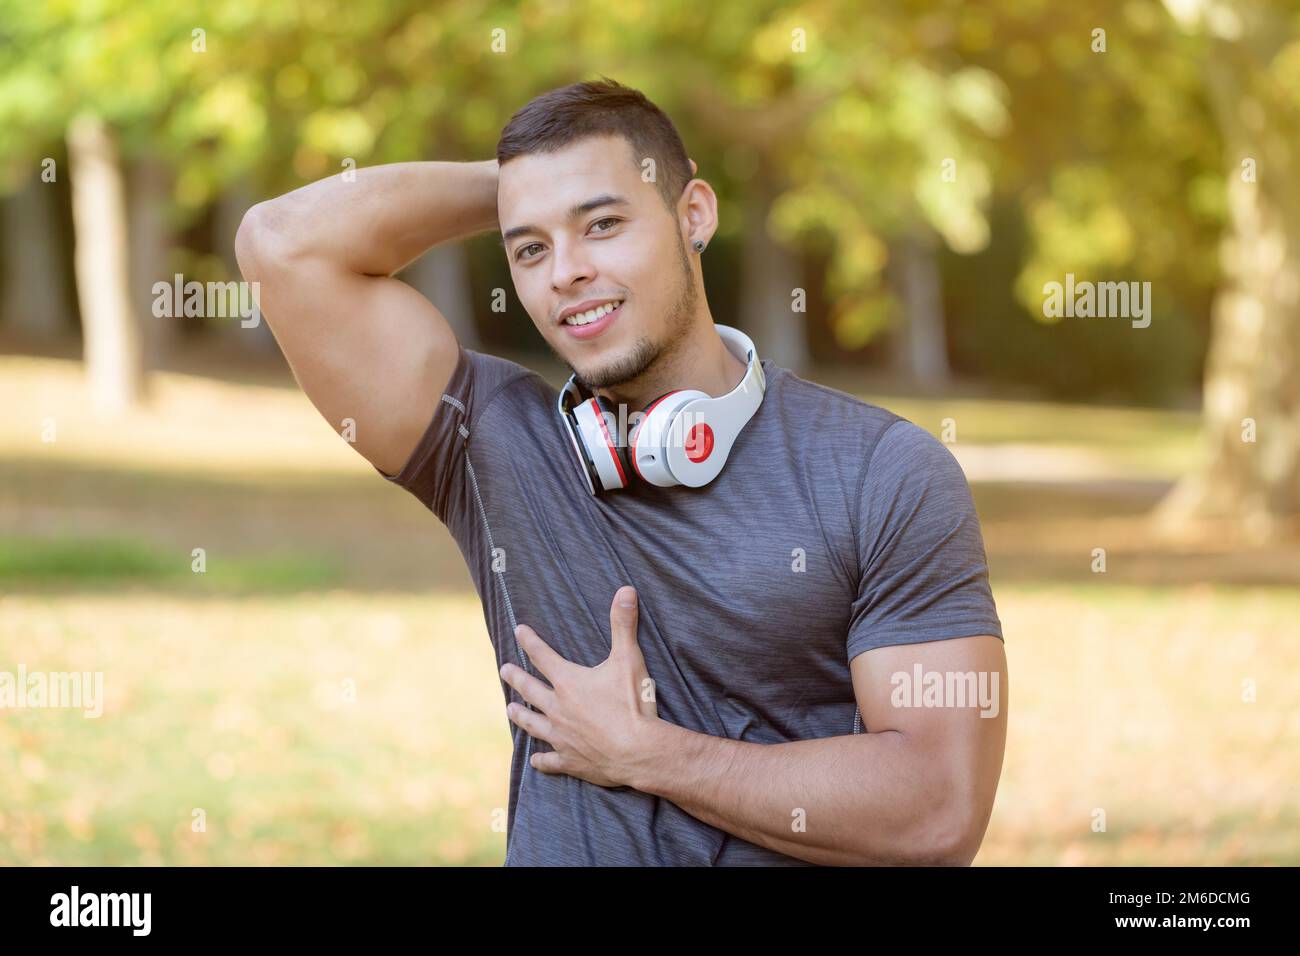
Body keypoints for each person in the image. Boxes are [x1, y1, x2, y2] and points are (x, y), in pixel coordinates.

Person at [234, 77, 1008, 866]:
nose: (565, 272)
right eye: (530, 247)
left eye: (602, 223)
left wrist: (647, 753)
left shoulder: (885, 471)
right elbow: (282, 243)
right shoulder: (496, 444)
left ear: (692, 215)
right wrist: (519, 184)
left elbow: (937, 811)